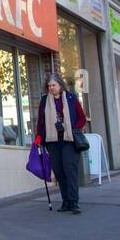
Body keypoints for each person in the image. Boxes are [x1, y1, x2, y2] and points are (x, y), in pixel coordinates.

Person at [34, 72, 86, 214]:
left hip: (69, 140)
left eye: (54, 85)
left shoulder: (70, 98)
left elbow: (82, 118)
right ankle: (66, 201)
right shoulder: (45, 101)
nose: (51, 88)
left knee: (70, 171)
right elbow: (41, 121)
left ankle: (74, 202)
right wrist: (38, 136)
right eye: (49, 86)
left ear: (60, 85)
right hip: (52, 141)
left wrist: (73, 129)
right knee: (59, 171)